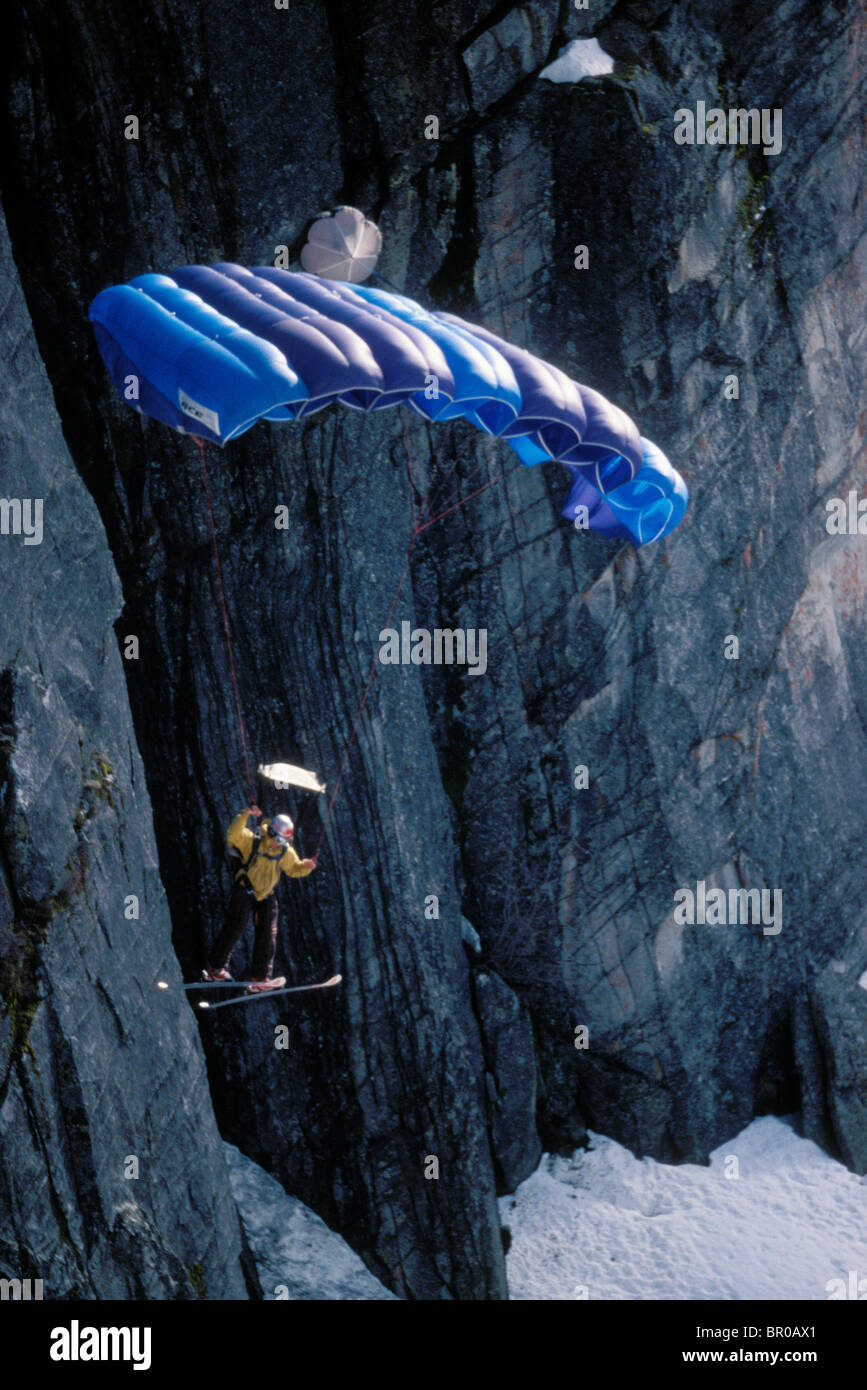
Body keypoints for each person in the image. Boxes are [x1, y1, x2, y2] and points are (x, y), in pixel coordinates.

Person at [205, 804, 316, 993]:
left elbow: (293, 868)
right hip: (245, 888)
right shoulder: (253, 841)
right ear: (272, 832)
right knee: (235, 927)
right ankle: (216, 969)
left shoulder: (284, 852)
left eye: (284, 841)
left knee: (268, 934)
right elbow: (233, 835)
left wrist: (306, 866)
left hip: (265, 894)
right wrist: (245, 814)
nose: (279, 844)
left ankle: (260, 978)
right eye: (278, 839)